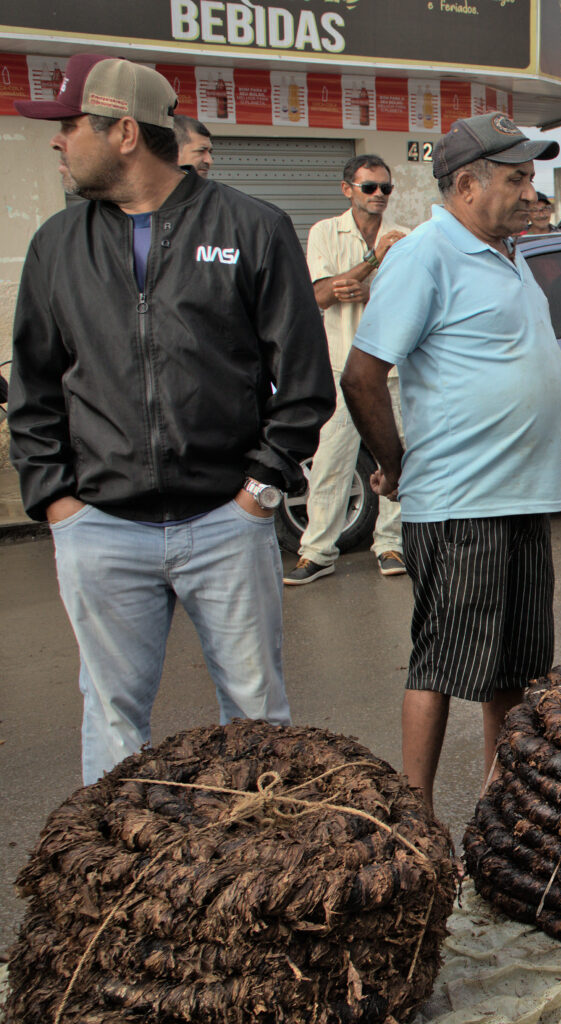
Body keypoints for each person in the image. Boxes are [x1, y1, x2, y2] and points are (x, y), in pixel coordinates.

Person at [8, 54, 334, 783]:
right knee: (113, 715)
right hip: (100, 527)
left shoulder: (252, 226)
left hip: (227, 522)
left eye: (68, 125)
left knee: (255, 716)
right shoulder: (57, 247)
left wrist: (261, 492)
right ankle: (117, 883)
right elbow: (34, 389)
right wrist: (57, 503)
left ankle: (257, 868)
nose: (57, 141)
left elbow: (306, 381)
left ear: (124, 131)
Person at [340, 112, 561, 817]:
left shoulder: (506, 252)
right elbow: (362, 374)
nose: (531, 192)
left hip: (522, 496)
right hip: (463, 500)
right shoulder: (427, 253)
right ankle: (416, 814)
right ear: (465, 184)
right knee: (441, 663)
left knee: (516, 670)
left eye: (532, 177)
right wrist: (395, 462)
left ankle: (503, 805)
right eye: (515, 178)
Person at [284, 155, 410, 585]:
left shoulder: (404, 237)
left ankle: (390, 543)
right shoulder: (325, 232)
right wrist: (373, 264)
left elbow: (401, 299)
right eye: (369, 187)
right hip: (342, 368)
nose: (378, 195)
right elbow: (320, 296)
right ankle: (318, 551)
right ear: (348, 190)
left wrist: (354, 287)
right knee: (330, 462)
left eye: (385, 188)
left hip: (390, 371)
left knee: (395, 457)